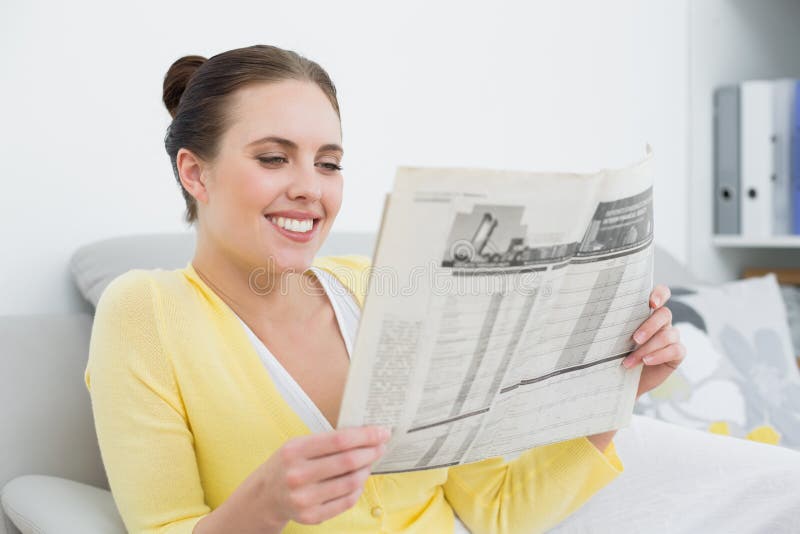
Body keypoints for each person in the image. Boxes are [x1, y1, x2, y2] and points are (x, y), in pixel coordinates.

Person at [84, 44, 686, 534]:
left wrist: (618, 390)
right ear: (195, 172)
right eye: (273, 158)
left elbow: (498, 509)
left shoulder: (381, 287)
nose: (310, 188)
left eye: (328, 163)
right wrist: (264, 504)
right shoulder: (145, 312)